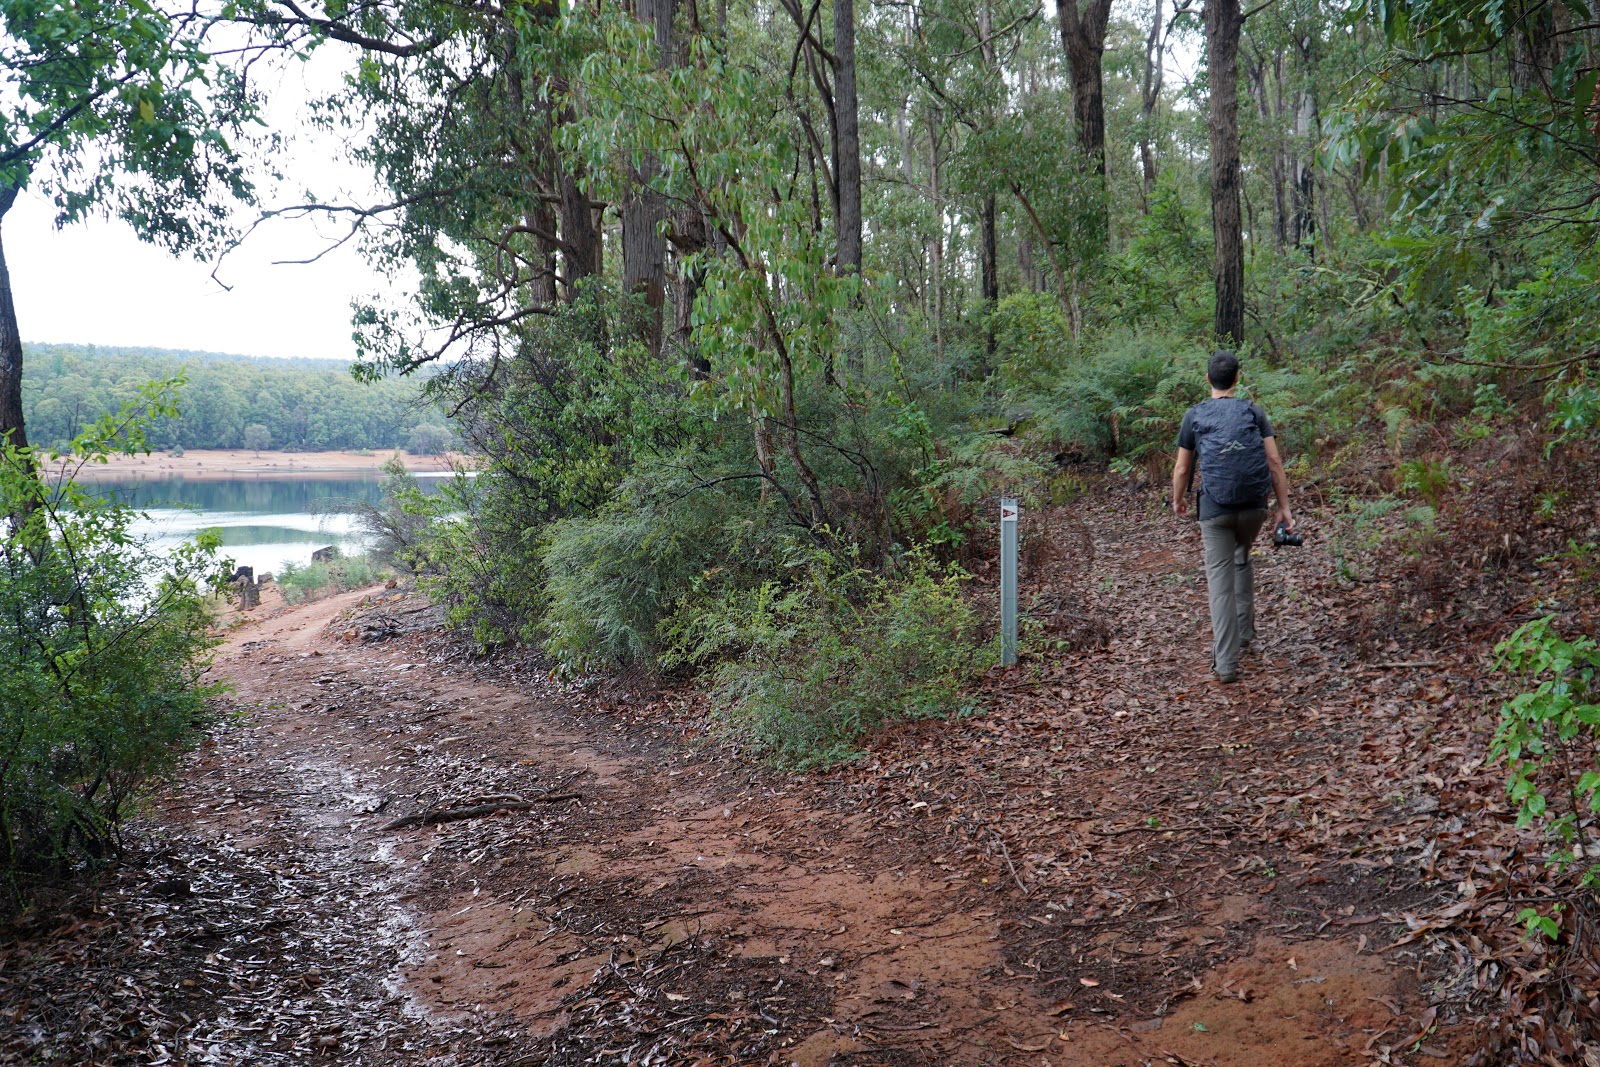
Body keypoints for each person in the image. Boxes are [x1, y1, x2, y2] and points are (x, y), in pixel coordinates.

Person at [1169, 351, 1294, 683]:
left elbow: (1182, 467)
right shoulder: (1254, 412)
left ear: (1208, 379)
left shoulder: (1194, 416)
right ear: (1237, 379)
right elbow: (1273, 462)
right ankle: (1245, 634)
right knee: (1241, 556)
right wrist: (1284, 508)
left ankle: (1226, 664)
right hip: (1255, 507)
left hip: (1215, 510)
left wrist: (1178, 500)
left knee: (1220, 583)